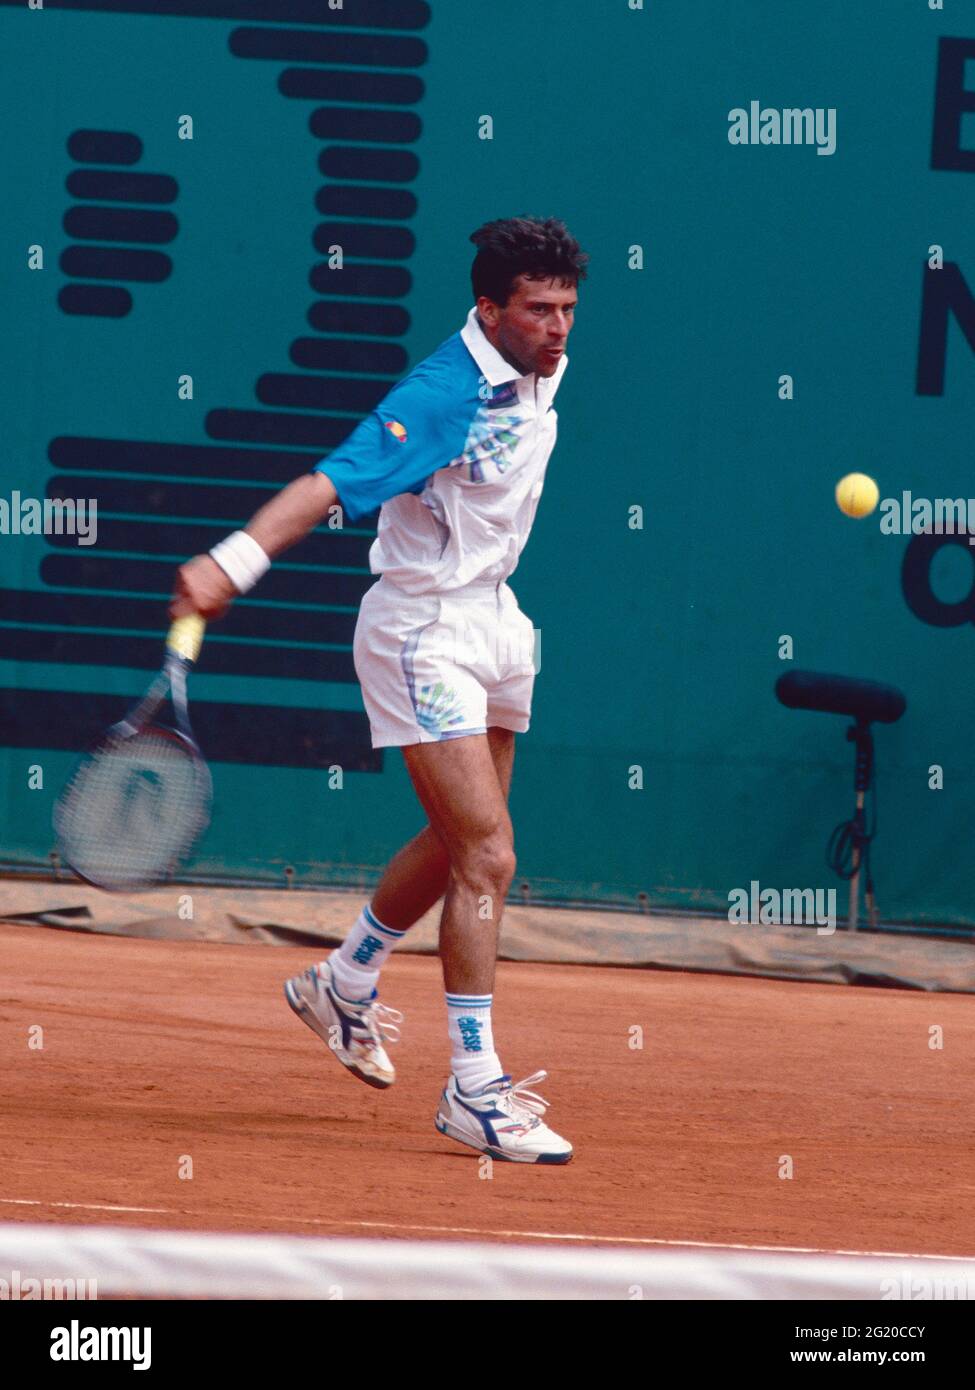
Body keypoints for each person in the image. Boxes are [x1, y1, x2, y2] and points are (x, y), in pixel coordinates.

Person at [170, 215, 587, 1164]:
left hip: (495, 620)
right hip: (422, 631)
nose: (557, 328)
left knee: (457, 843)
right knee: (489, 855)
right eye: (536, 311)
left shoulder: (541, 361)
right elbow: (328, 483)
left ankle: (346, 980)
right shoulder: (441, 396)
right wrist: (229, 564)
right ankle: (474, 1089)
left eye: (567, 309)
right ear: (486, 308)